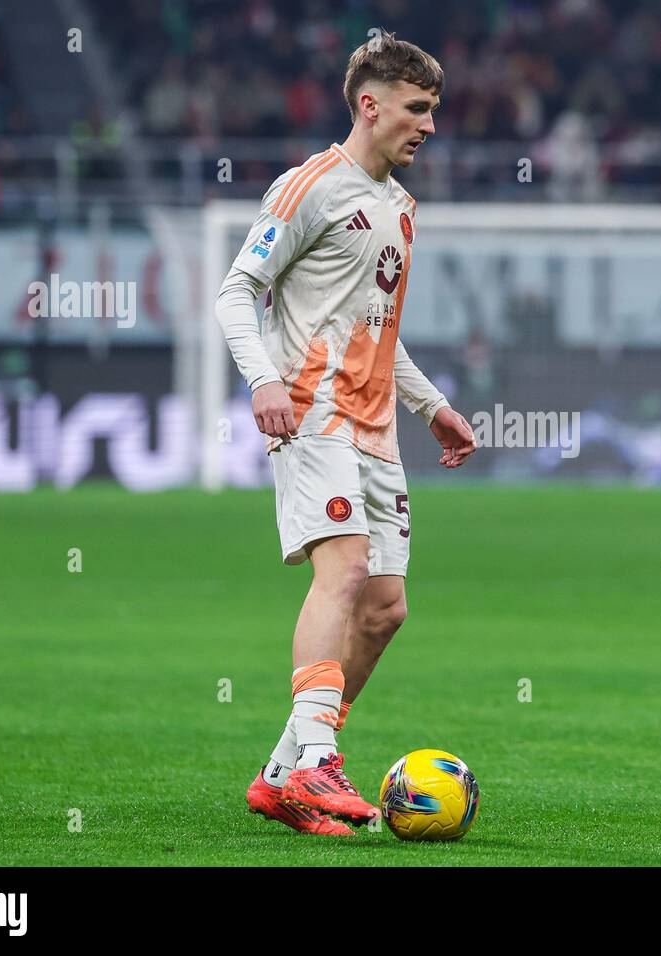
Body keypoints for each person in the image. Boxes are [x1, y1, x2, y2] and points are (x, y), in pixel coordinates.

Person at [214, 32, 476, 836]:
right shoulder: (310, 188)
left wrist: (430, 404)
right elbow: (236, 293)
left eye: (433, 110)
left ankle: (283, 771)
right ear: (370, 104)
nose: (429, 125)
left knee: (385, 608)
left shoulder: (399, 209)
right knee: (345, 569)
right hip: (311, 410)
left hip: (376, 427)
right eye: (417, 109)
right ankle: (317, 760)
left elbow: (376, 331)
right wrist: (262, 380)